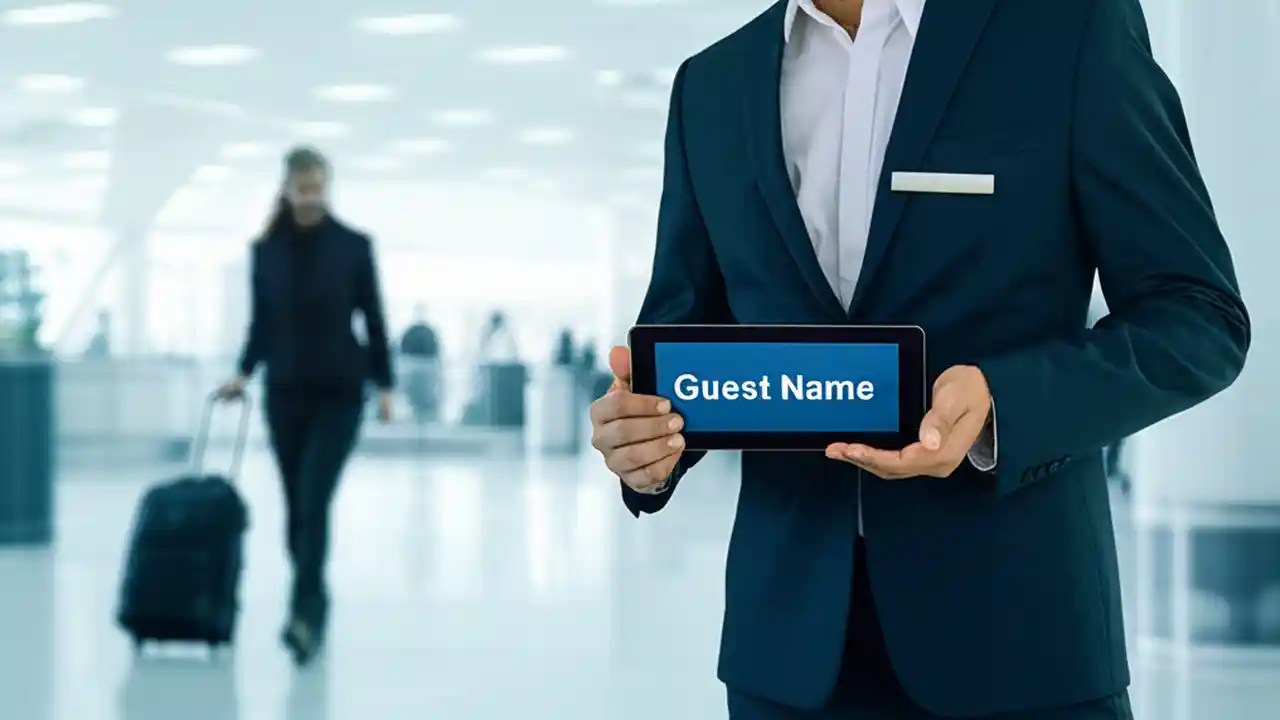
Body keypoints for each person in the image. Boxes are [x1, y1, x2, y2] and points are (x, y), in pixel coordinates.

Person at [589, 1, 1250, 719]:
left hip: (1023, 642)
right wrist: (643, 440)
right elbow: (679, 342)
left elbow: (1197, 316)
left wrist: (1005, 405)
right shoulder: (711, 85)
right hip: (785, 657)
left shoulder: (1069, 32)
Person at [217, 146, 395, 666]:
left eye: (319, 186)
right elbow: (261, 323)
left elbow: (375, 319)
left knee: (314, 500)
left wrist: (384, 386)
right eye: (303, 187)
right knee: (296, 507)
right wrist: (242, 372)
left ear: (328, 186)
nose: (312, 195)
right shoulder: (266, 250)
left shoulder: (353, 247)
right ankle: (314, 595)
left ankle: (304, 615)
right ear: (288, 189)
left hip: (341, 393)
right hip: (285, 393)